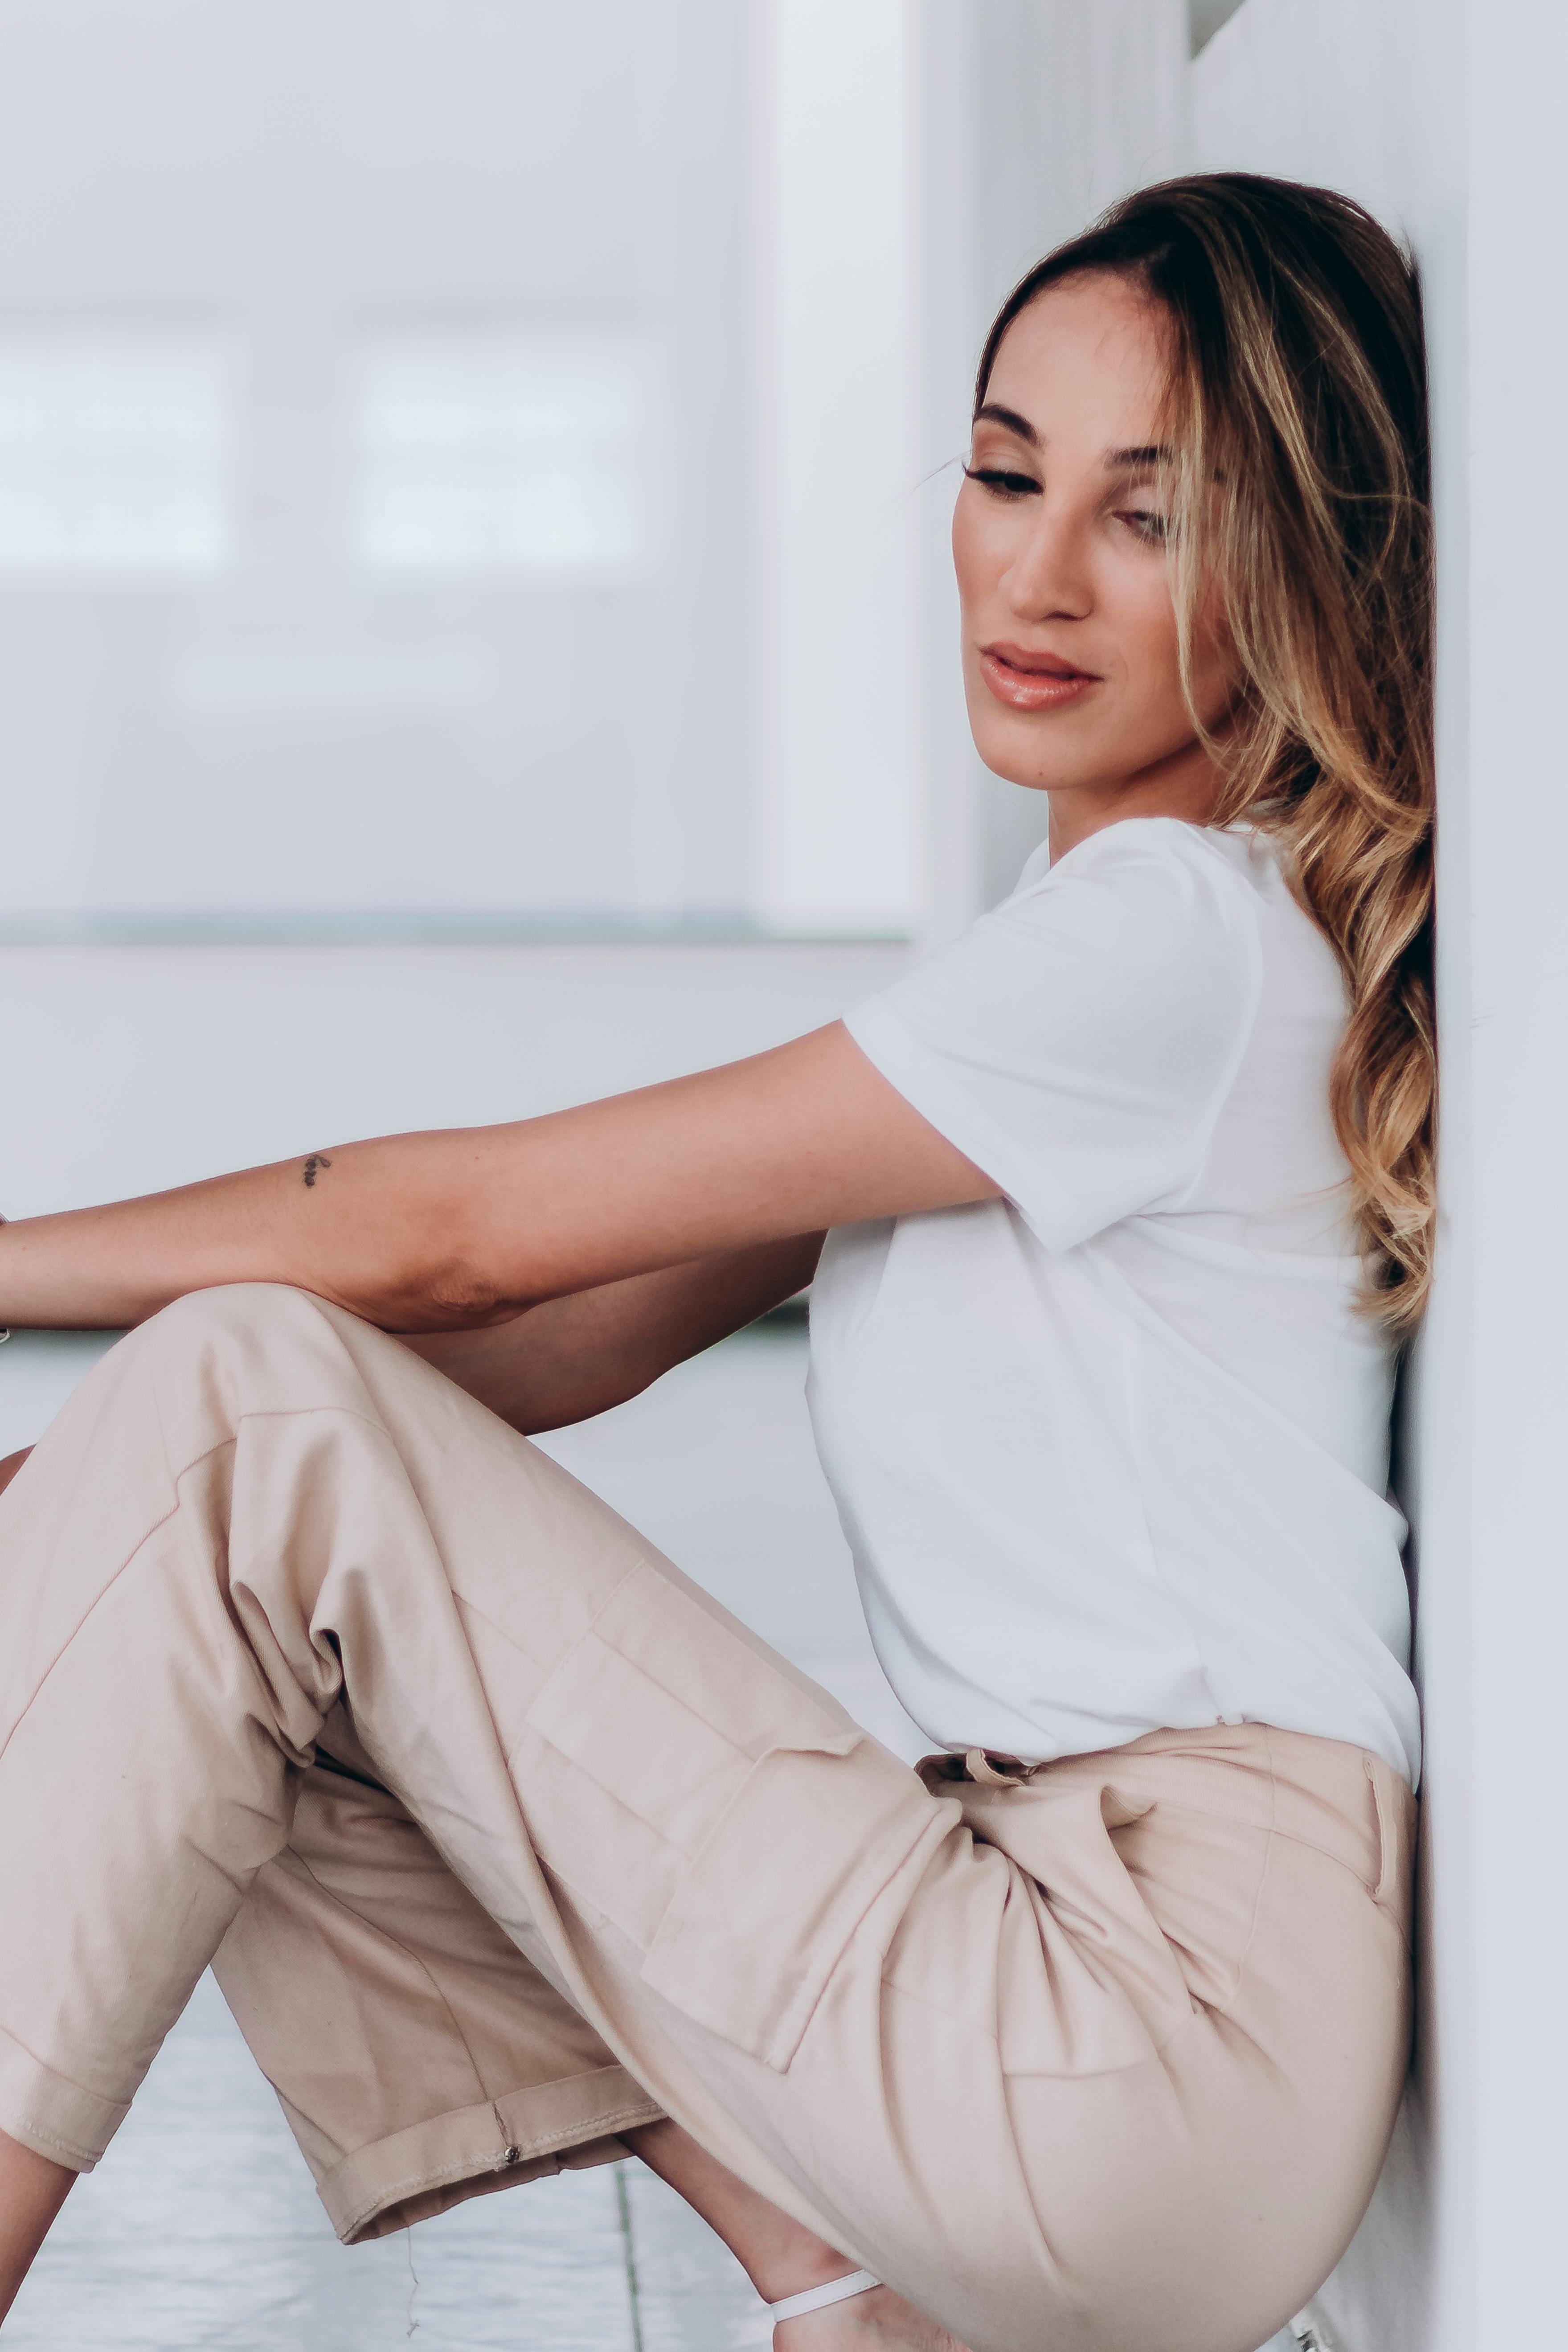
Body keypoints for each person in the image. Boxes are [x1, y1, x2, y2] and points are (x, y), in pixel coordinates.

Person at [0, 171, 1434, 2352]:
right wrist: (112, 1508)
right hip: (1084, 2004)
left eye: (1149, 517)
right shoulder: (1076, 979)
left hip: (1141, 2032)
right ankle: (854, 2302)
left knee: (234, 1417)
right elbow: (559, 1330)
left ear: (1306, 555)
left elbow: (455, 1234)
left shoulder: (1176, 950)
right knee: (224, 1533)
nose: (1033, 576)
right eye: (1000, 474)